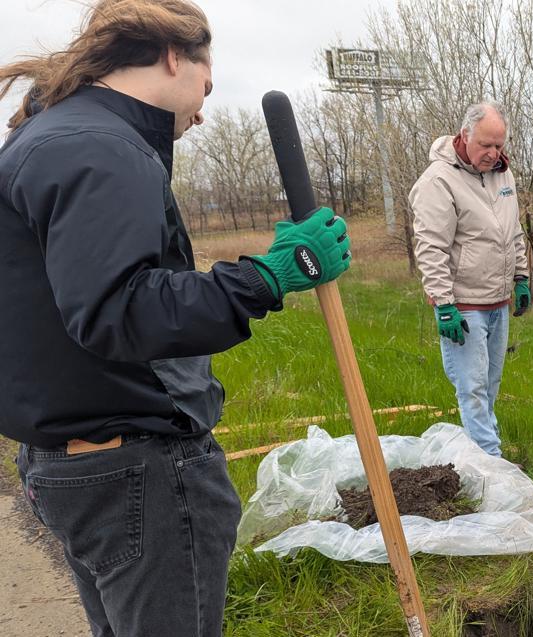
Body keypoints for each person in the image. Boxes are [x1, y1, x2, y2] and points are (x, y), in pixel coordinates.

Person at [0, 2, 350, 635]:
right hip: (135, 471)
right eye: (206, 85)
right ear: (171, 55)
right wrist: (269, 275)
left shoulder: (44, 137)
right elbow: (120, 310)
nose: (203, 110)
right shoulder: (101, 148)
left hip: (72, 460)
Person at [409, 101, 529, 458]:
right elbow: (431, 247)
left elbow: (514, 231)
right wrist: (443, 304)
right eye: (486, 145)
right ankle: (491, 467)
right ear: (465, 135)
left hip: (497, 302)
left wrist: (521, 275)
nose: (494, 154)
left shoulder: (502, 175)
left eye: (499, 145)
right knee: (472, 389)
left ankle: (480, 458)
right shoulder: (438, 181)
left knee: (489, 386)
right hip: (463, 307)